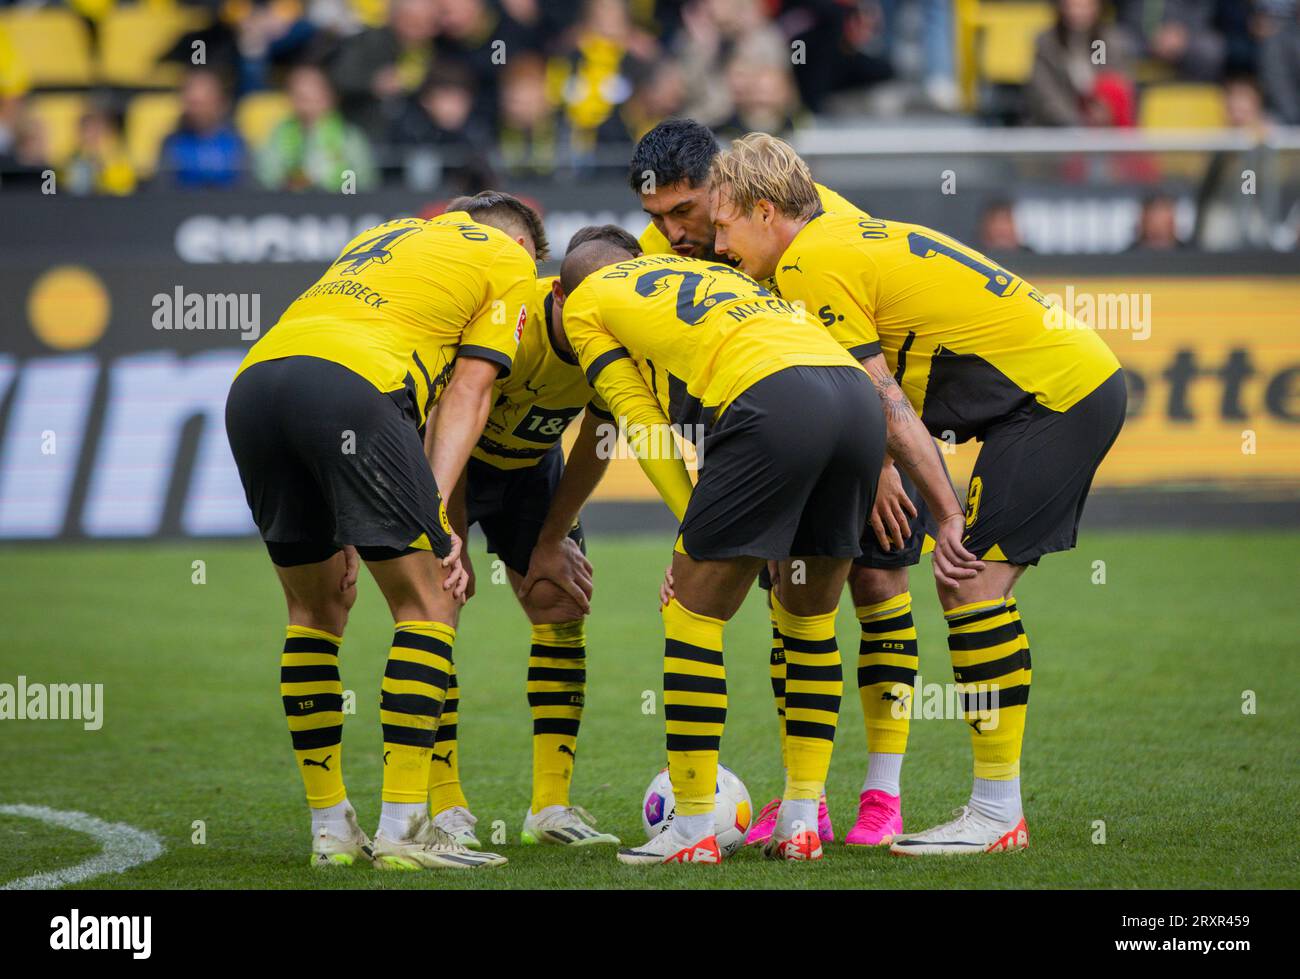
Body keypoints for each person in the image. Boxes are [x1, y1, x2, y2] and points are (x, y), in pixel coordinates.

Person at [709, 133, 1126, 856]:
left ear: (764, 210)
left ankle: (997, 815)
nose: (717, 245)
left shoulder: (809, 261)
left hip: (1055, 398)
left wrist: (945, 515)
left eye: (722, 224)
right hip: (1055, 390)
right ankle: (994, 811)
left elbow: (886, 401)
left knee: (968, 585)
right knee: (971, 587)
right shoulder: (836, 233)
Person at [629, 118, 936, 849]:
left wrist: (886, 463)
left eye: (685, 211)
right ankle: (811, 799)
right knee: (792, 601)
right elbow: (695, 384)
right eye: (656, 217)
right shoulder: (657, 256)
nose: (672, 232)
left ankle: (883, 796)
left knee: (879, 585)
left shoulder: (823, 223)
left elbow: (870, 345)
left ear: (727, 190)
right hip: (771, 432)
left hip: (870, 420)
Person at [224, 193, 542, 871]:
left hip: (255, 387)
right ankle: (404, 828)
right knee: (430, 601)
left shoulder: (389, 234)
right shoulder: (508, 260)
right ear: (527, 248)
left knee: (314, 609)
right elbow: (471, 389)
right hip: (354, 387)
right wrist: (436, 506)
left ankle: (331, 829)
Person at [556, 239, 886, 864]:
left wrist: (693, 530)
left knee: (691, 613)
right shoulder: (699, 273)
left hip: (773, 398)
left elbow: (640, 421)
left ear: (570, 290)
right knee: (810, 622)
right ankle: (799, 823)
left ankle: (691, 831)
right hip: (855, 398)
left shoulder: (585, 304)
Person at [426, 215, 635, 850]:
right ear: (559, 295)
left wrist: (555, 535)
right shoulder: (512, 319)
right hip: (453, 463)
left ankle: (551, 808)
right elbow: (449, 419)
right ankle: (443, 807)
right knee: (437, 611)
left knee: (561, 599)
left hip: (533, 470)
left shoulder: (622, 335)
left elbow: (600, 437)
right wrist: (450, 534)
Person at [255, 64, 376, 191]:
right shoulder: (280, 133)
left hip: (340, 206)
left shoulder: (348, 136)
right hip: (288, 205)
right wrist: (291, 181)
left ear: (329, 96)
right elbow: (266, 176)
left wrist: (338, 184)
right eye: (299, 96)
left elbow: (364, 180)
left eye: (310, 96)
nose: (305, 104)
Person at [158, 70, 246, 190]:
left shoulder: (236, 143)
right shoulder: (172, 144)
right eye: (192, 104)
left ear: (219, 103)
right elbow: (161, 190)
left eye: (202, 104)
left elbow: (249, 188)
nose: (196, 111)